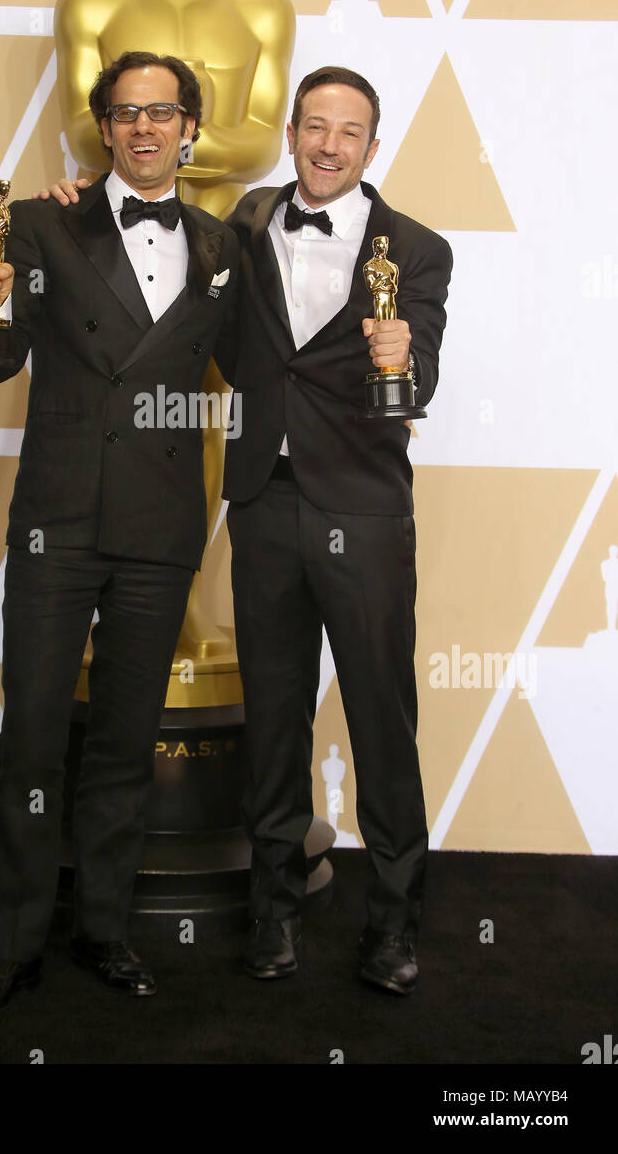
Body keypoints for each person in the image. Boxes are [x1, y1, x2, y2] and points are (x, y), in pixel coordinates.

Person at [0, 51, 239, 1018]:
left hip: (161, 530)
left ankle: (104, 933)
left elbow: (260, 369)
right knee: (32, 741)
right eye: (126, 113)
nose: (145, 129)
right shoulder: (39, 223)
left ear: (190, 127)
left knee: (123, 744)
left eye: (163, 112)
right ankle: (13, 947)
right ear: (103, 128)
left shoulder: (221, 248)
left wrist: (379, 393)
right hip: (57, 526)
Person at [219, 66, 453, 994]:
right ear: (290, 132)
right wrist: (72, 205)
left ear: (371, 146)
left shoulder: (419, 250)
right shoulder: (239, 226)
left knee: (381, 721)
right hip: (265, 503)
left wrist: (409, 357)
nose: (327, 145)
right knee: (272, 716)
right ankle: (273, 910)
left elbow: (420, 368)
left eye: (347, 132)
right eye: (314, 126)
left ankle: (393, 926)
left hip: (361, 500)